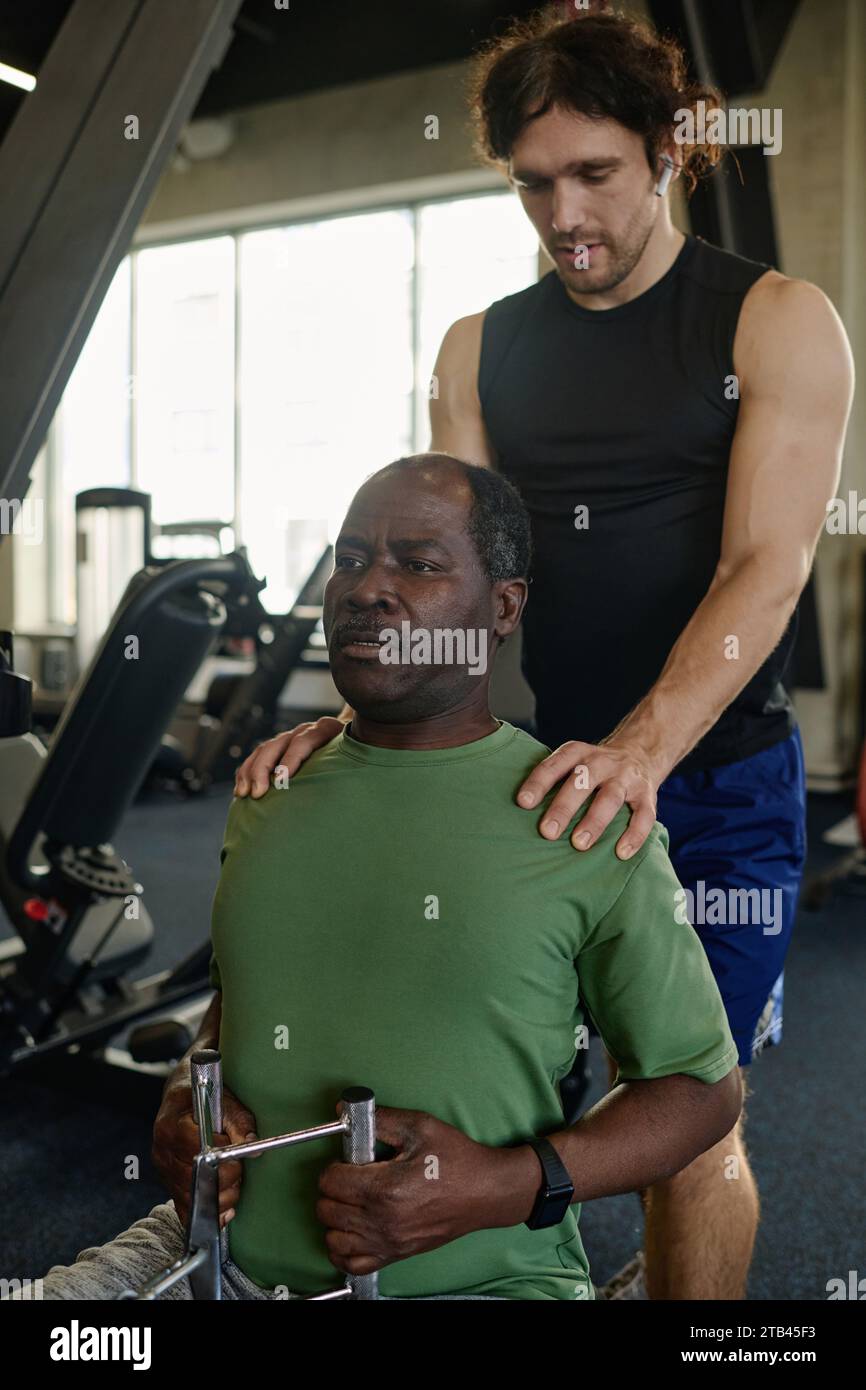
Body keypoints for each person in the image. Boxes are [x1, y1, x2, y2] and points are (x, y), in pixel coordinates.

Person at [234, 9, 853, 1300]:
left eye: (592, 175)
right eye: (530, 182)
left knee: (691, 1117)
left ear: (669, 150)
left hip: (710, 780)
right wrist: (366, 730)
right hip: (525, 784)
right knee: (500, 1106)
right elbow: (464, 580)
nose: (560, 213)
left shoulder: (774, 322)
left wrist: (633, 755)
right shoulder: (480, 348)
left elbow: (766, 565)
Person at [4, 457, 741, 1301]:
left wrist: (504, 1183)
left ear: (503, 606)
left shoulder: (583, 822)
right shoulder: (268, 791)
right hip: (220, 1260)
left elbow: (698, 1090)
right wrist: (184, 1091)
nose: (367, 588)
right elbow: (240, 1008)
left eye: (419, 565)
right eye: (350, 559)